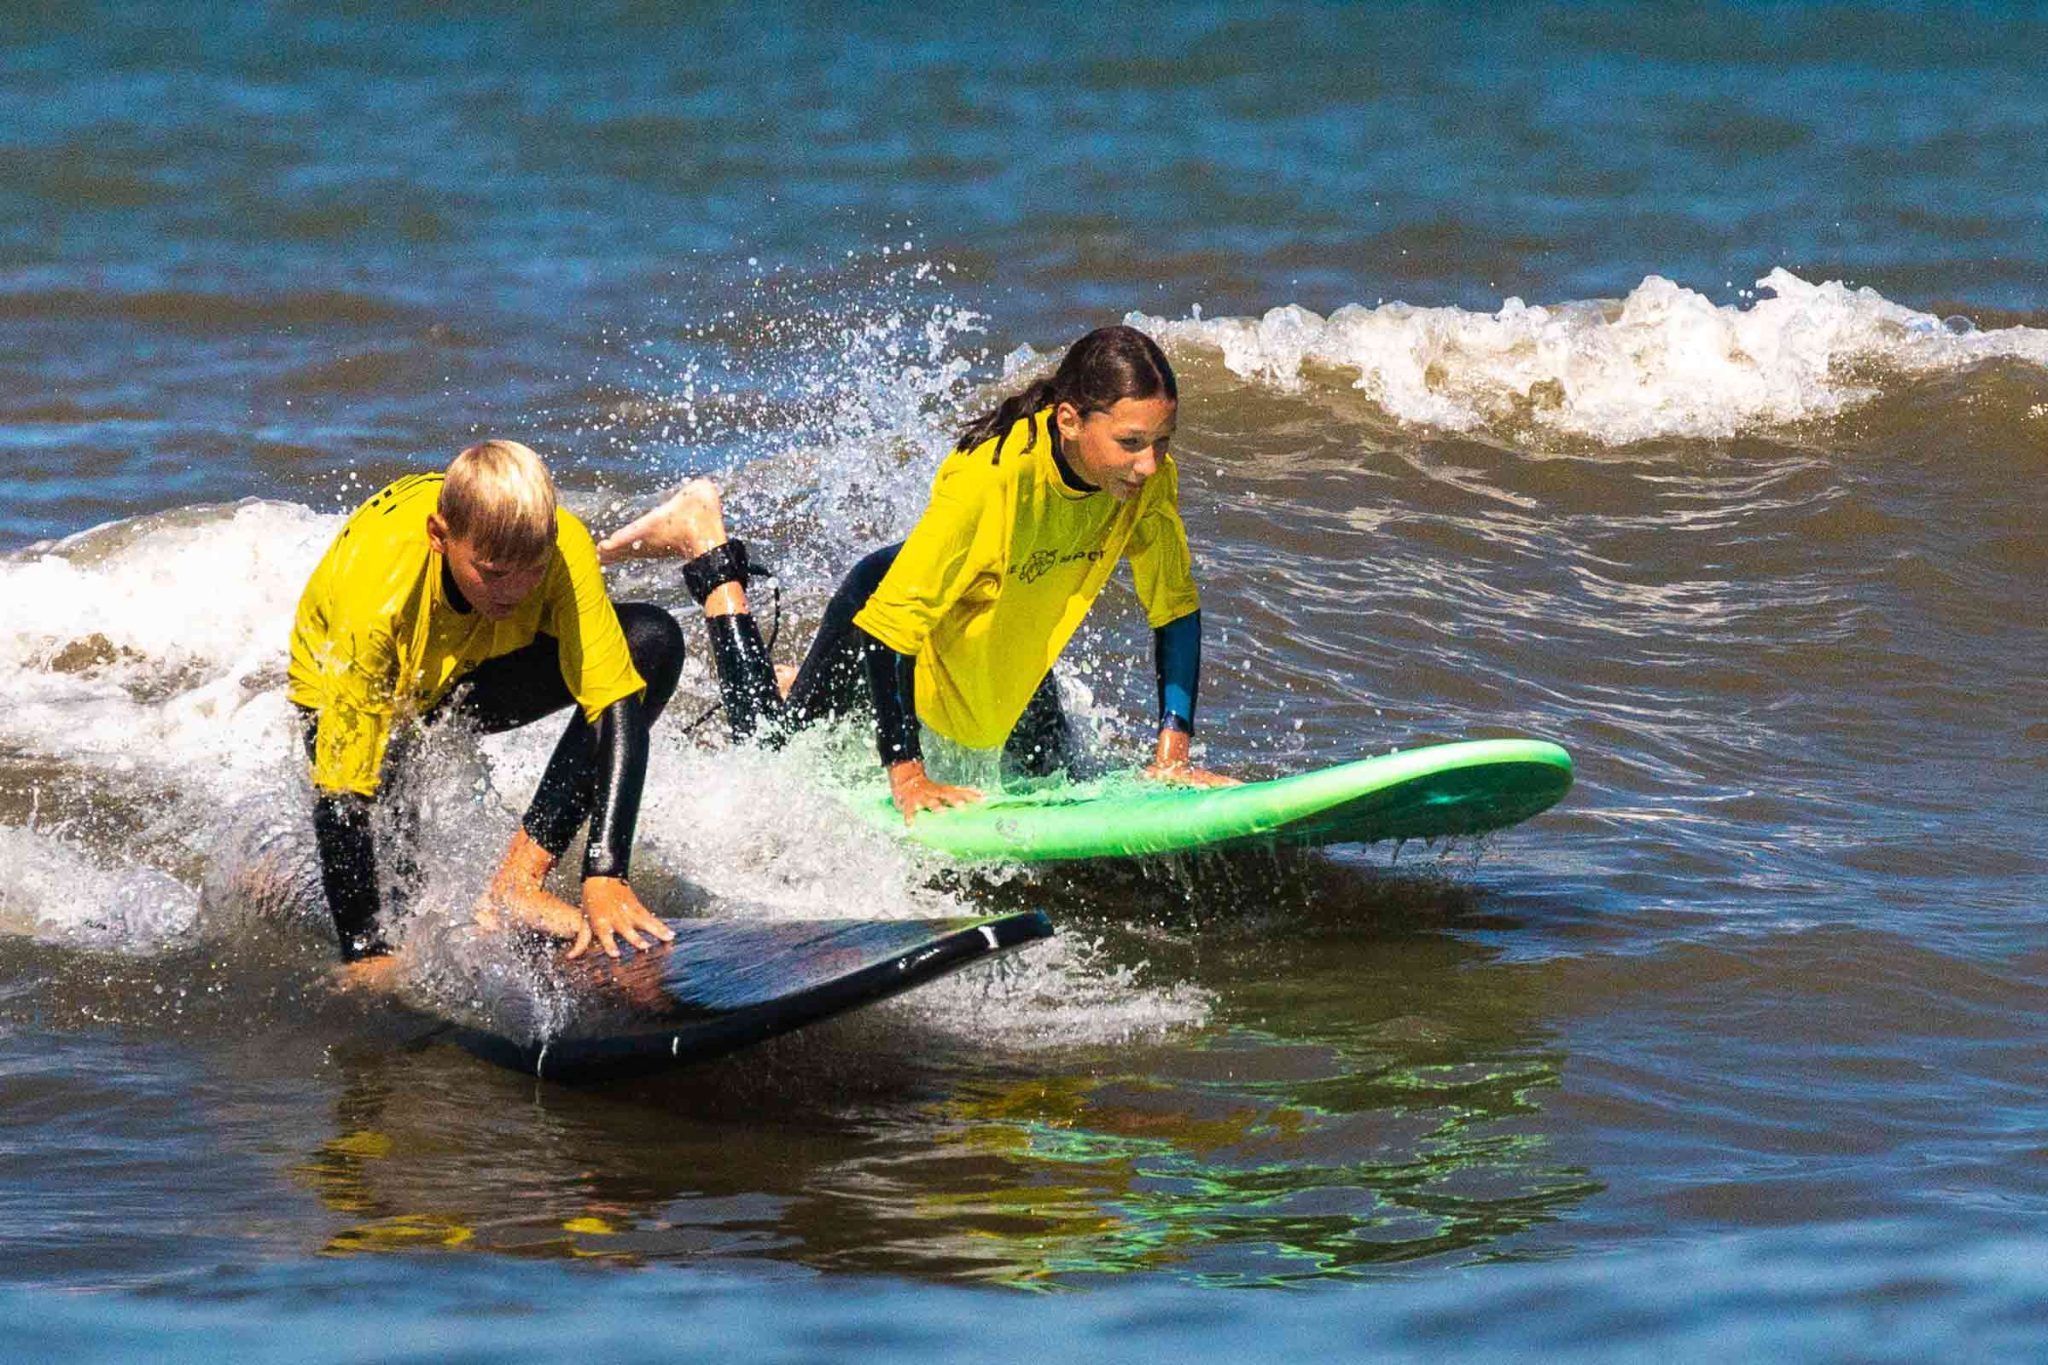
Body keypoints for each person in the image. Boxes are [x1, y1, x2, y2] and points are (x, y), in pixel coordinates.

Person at [600, 324, 1235, 819]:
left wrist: (1172, 753)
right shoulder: (989, 480)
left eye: (1162, 442)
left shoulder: (1145, 482)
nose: (1149, 464)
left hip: (990, 629)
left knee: (1059, 776)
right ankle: (707, 547)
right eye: (1130, 442)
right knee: (772, 755)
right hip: (886, 614)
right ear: (1069, 420)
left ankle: (797, 676)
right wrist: (908, 776)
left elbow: (1174, 607)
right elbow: (890, 630)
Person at [287, 439, 688, 972]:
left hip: (471, 668)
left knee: (651, 642)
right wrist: (364, 954)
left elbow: (614, 704)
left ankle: (517, 885)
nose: (517, 591)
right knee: (391, 902)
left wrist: (606, 871)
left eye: (533, 570)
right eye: (496, 573)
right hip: (356, 686)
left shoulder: (560, 546)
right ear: (439, 537)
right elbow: (343, 796)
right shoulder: (377, 602)